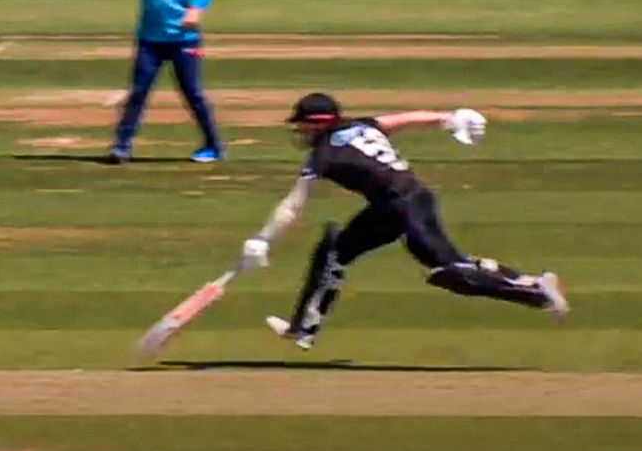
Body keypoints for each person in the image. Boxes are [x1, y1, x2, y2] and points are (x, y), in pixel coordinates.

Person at [237, 93, 567, 349]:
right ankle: (304, 327)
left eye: (304, 126)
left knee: (452, 272)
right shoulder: (359, 125)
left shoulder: (325, 153)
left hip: (407, 206)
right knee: (335, 249)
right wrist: (446, 118)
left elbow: (294, 205)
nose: (301, 133)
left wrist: (264, 239)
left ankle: (537, 289)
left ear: (318, 124)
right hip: (392, 206)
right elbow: (403, 120)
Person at [81, 0, 221, 164]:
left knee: (192, 92)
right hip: (150, 38)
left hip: (183, 38)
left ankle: (213, 145)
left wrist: (195, 9)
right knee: (138, 92)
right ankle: (121, 147)